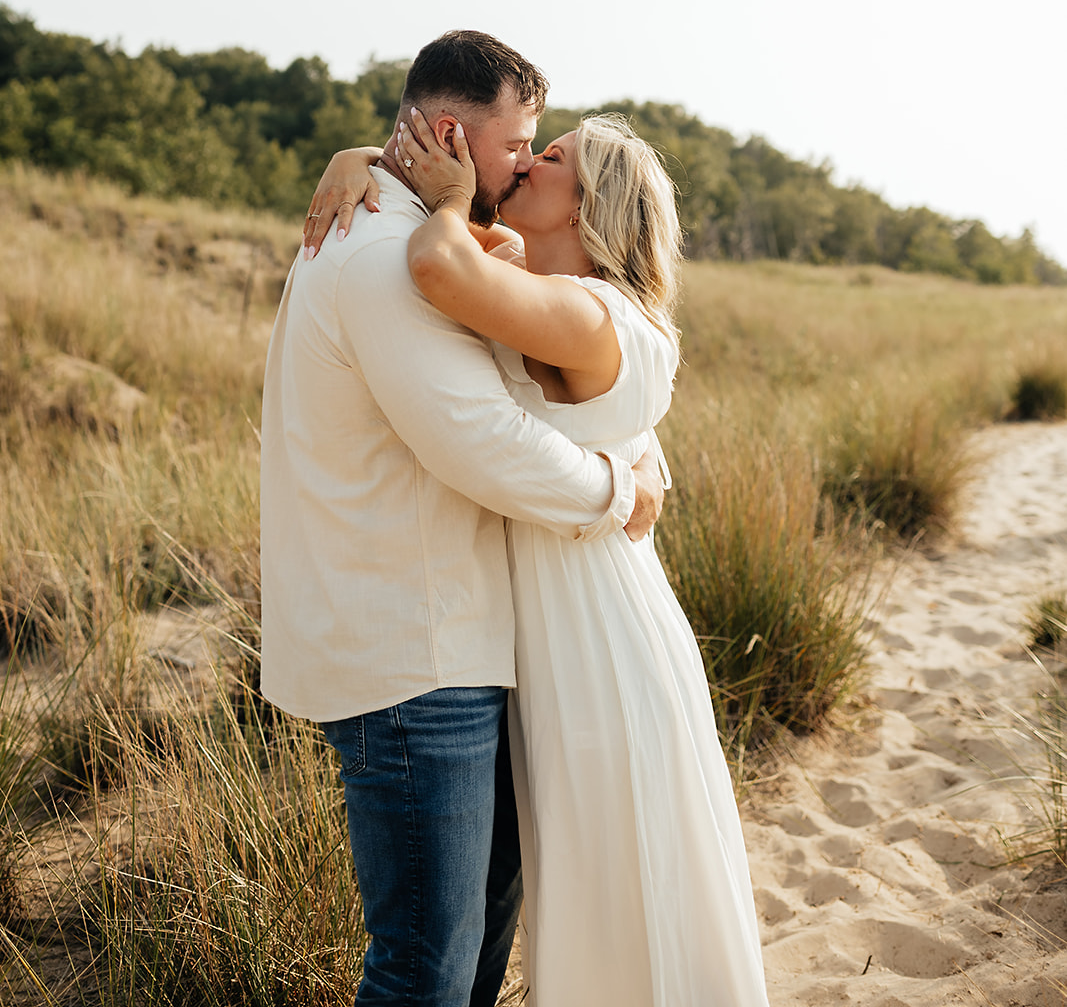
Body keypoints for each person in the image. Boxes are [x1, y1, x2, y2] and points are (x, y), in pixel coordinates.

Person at [308, 106, 772, 1007]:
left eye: (548, 157)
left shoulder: (598, 315)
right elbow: (465, 250)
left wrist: (442, 198)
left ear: (587, 204)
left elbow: (437, 259)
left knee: (620, 884)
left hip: (600, 637)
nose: (524, 165)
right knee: (581, 883)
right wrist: (361, 156)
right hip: (548, 631)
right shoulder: (535, 284)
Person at [259, 29, 666, 1007]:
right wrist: (618, 491)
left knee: (473, 940)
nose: (524, 160)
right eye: (518, 141)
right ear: (448, 130)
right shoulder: (382, 253)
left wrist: (371, 156)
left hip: (465, 644)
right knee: (423, 964)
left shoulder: (415, 228)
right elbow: (477, 438)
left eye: (540, 150)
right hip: (414, 655)